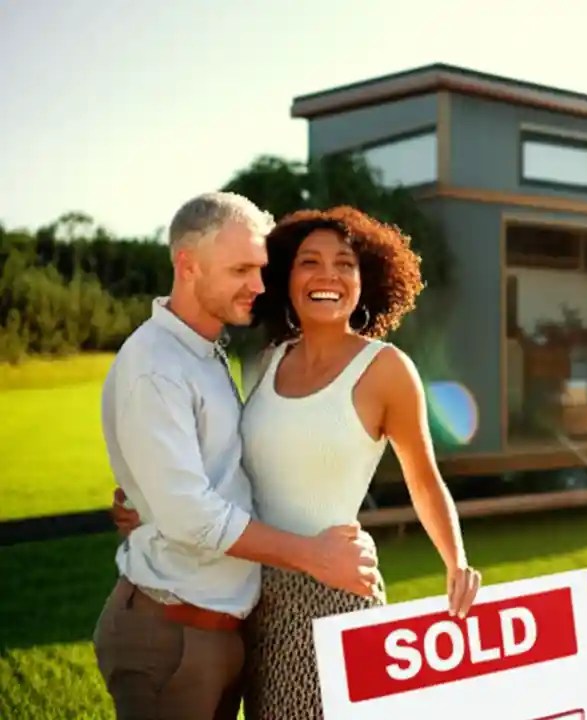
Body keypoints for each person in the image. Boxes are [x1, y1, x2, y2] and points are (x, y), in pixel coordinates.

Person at [113, 204, 482, 719]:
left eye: (345, 263)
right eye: (310, 262)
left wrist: (456, 560)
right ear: (285, 277)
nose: (328, 275)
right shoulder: (267, 361)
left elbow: (423, 478)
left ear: (365, 279)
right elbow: (231, 465)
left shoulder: (386, 369)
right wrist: (150, 504)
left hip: (333, 591)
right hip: (248, 597)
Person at [95, 192, 383, 720]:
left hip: (221, 634)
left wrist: (149, 505)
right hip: (172, 634)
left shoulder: (206, 353)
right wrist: (317, 556)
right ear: (187, 265)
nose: (258, 284)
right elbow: (192, 516)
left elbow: (219, 474)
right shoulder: (157, 366)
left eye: (261, 269)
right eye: (241, 269)